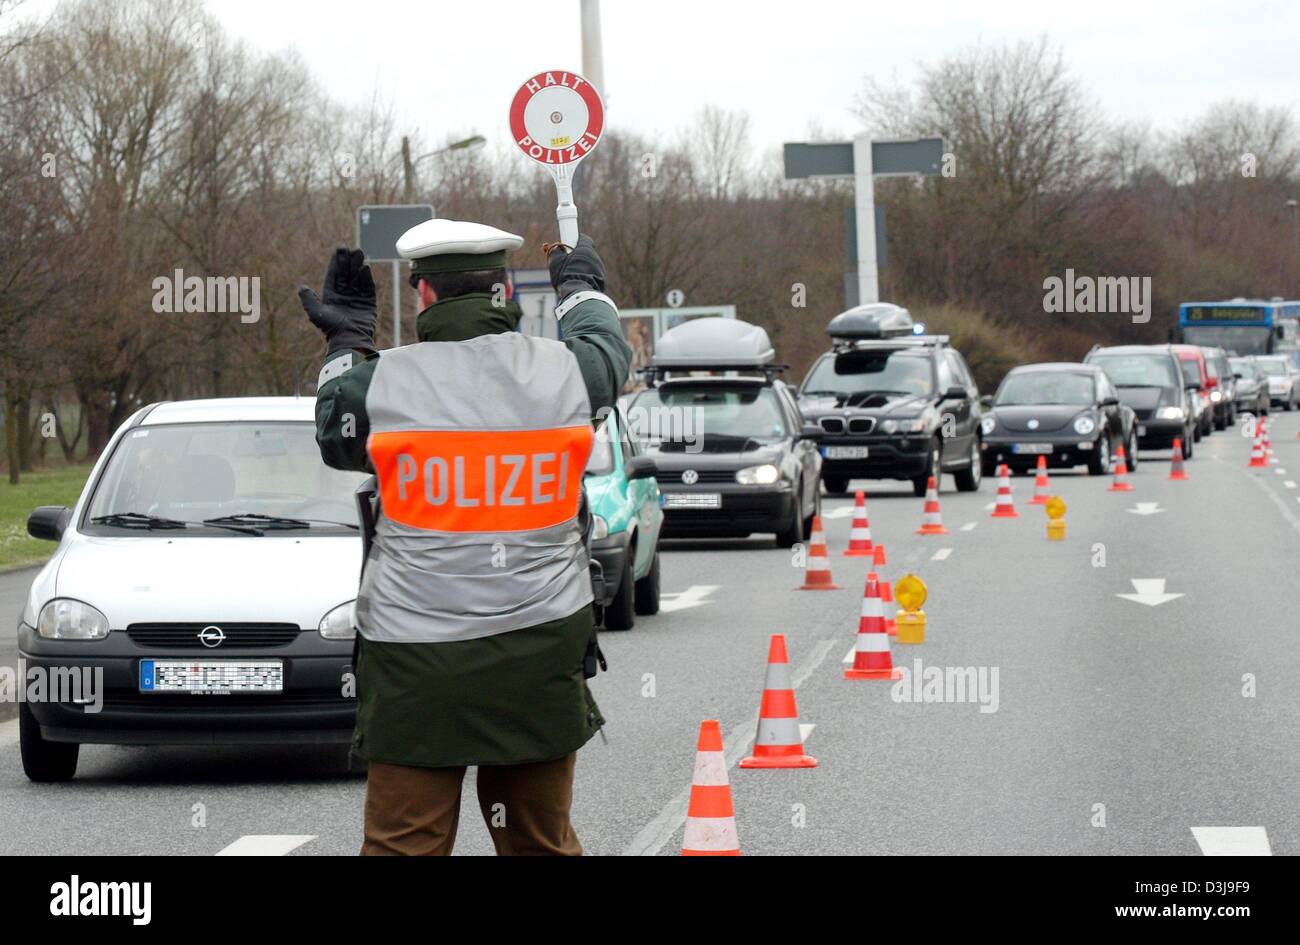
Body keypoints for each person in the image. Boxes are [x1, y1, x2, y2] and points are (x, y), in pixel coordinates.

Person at [299, 220, 632, 855]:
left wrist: (347, 340)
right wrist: (580, 288)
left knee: (404, 847)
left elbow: (334, 433)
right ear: (504, 288)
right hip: (537, 649)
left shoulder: (383, 383)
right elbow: (607, 354)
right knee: (538, 844)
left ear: (423, 294)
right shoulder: (563, 374)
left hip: (413, 662)